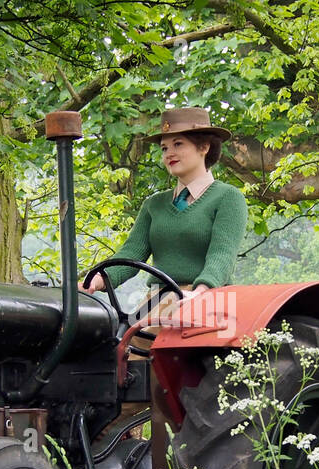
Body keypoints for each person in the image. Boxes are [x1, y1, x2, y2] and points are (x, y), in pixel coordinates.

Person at [81, 107, 247, 323]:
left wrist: (200, 291)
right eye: (164, 148)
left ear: (204, 146)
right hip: (158, 300)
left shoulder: (228, 197)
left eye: (178, 144)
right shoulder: (154, 204)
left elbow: (222, 255)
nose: (169, 153)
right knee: (116, 346)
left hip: (209, 300)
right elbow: (131, 254)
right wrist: (96, 280)